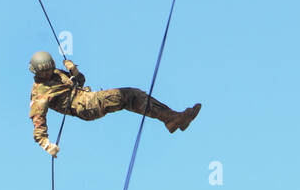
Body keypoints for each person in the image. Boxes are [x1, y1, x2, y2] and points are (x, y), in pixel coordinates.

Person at [26, 51, 200, 157]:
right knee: (130, 95)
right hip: (84, 106)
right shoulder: (40, 91)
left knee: (132, 96)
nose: (49, 73)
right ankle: (172, 118)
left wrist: (73, 70)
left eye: (50, 69)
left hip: (88, 97)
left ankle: (171, 119)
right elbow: (38, 120)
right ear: (38, 73)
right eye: (45, 72)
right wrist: (47, 145)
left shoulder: (56, 73)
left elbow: (80, 80)